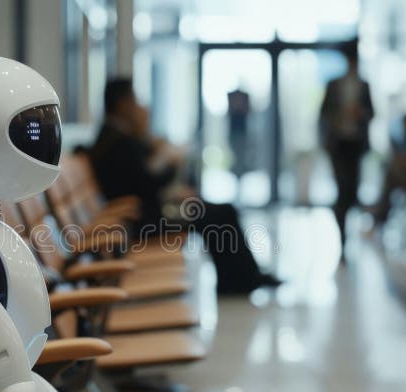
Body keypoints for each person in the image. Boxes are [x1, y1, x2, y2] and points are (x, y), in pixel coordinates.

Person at [88, 78, 282, 294]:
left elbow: (140, 181)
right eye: (135, 100)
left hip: (143, 214)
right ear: (122, 103)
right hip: (144, 221)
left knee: (218, 211)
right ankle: (239, 281)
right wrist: (167, 162)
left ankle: (243, 277)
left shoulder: (115, 137)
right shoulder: (117, 141)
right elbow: (147, 182)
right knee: (220, 214)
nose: (139, 106)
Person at [320, 40, 374, 258]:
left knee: (352, 191)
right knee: (342, 189)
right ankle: (342, 238)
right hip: (338, 144)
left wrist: (360, 114)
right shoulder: (333, 85)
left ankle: (347, 232)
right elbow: (323, 113)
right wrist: (339, 117)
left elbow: (372, 113)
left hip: (355, 144)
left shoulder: (364, 85)